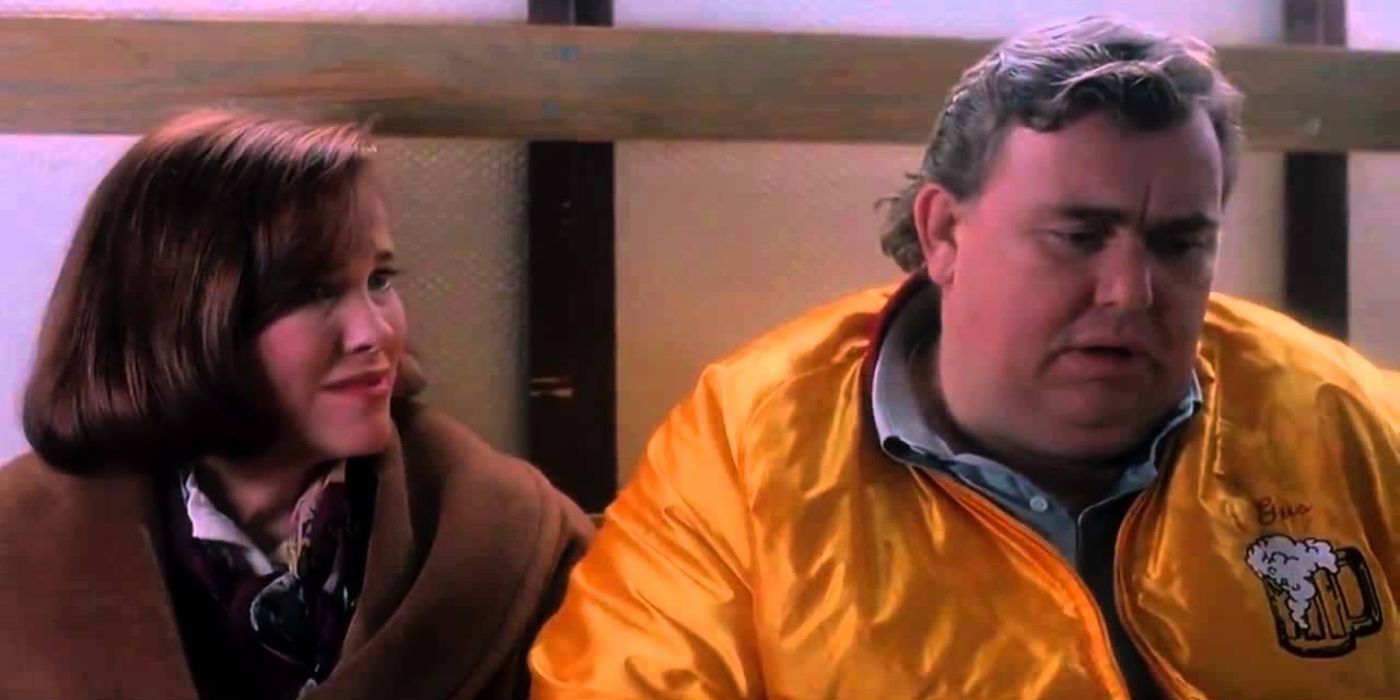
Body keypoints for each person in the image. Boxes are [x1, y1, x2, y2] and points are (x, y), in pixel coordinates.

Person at [529, 16, 1399, 699]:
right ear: (945, 232)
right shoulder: (747, 451)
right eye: (1078, 236)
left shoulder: (1338, 417)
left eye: (1179, 243)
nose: (1131, 291)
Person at [0, 110, 592, 700]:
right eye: (314, 291)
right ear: (177, 317)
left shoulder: (516, 537)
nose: (375, 333)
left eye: (379, 280)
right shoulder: (20, 543)